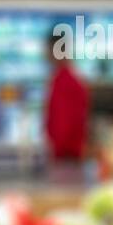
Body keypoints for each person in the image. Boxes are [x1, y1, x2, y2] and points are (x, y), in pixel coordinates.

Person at [44, 30, 90, 161]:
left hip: (66, 156)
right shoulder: (70, 79)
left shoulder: (64, 82)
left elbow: (63, 126)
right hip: (69, 153)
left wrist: (54, 153)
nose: (46, 55)